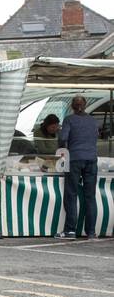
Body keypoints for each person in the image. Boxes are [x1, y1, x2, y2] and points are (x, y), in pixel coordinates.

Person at [58, 96, 100, 240]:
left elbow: (63, 138)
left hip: (75, 159)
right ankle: (91, 232)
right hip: (92, 159)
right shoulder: (93, 120)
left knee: (71, 194)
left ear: (72, 106)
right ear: (85, 105)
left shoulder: (69, 119)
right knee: (90, 196)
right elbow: (96, 136)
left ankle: (70, 231)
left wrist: (61, 150)